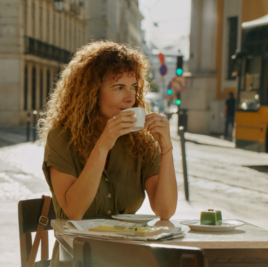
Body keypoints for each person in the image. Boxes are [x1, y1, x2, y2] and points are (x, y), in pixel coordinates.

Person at [39, 41, 177, 266]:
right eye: (119, 87)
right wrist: (103, 145)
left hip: (127, 255)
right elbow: (74, 211)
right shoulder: (62, 136)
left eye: (134, 86)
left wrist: (166, 148)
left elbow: (165, 210)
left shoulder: (140, 139)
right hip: (77, 256)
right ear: (92, 92)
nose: (130, 98)